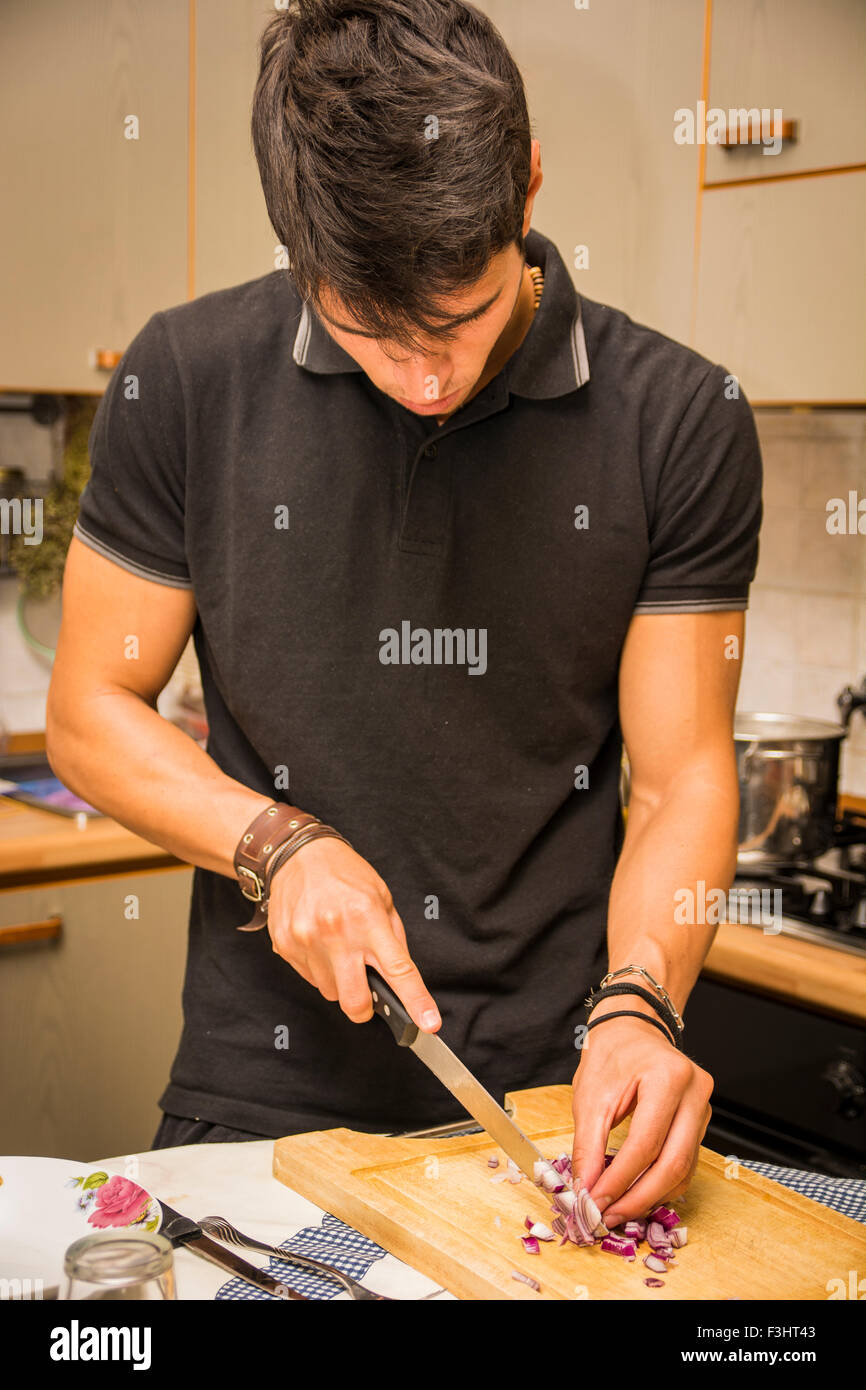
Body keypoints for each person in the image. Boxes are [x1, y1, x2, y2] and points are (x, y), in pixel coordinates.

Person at [46, 0, 761, 1233]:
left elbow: (682, 778)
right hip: (256, 1089)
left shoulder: (678, 422)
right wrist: (276, 844)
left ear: (527, 185)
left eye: (463, 319)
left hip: (553, 1104)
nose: (426, 377)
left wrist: (638, 1003)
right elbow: (89, 713)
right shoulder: (187, 380)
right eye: (371, 331)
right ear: (294, 244)